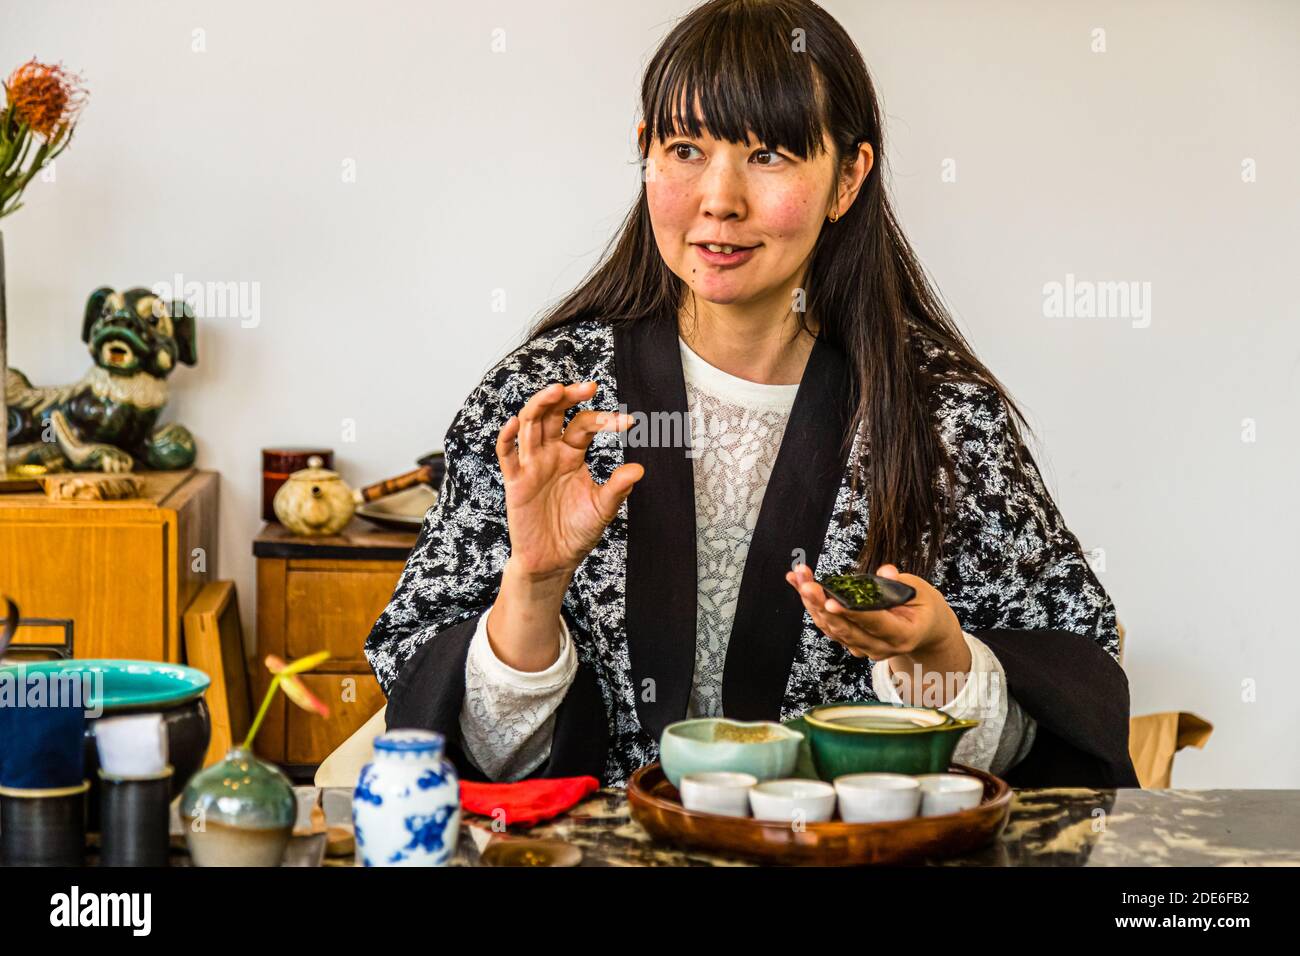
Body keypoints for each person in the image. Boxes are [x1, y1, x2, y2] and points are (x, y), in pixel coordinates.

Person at [365, 0, 1138, 790]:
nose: (719, 200)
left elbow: (1064, 724)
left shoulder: (940, 417)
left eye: (768, 155)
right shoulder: (546, 405)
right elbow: (475, 760)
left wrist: (936, 654)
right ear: (645, 157)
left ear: (848, 178)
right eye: (686, 149)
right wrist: (533, 580)